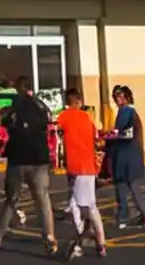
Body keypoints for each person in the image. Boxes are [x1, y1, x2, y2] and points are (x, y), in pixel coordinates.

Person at [0, 77, 56, 254]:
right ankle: (49, 236)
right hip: (39, 159)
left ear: (19, 89)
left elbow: (4, 122)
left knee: (11, 200)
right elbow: (48, 123)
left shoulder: (15, 105)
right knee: (42, 198)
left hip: (18, 159)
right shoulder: (41, 106)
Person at [57, 88, 107, 257]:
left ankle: (78, 240)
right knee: (90, 205)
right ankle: (101, 242)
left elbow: (54, 131)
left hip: (76, 166)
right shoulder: (86, 117)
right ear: (78, 101)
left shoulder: (65, 116)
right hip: (89, 166)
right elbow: (96, 137)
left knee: (75, 205)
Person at [106, 85, 145, 230]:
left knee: (123, 188)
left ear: (126, 97)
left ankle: (124, 218)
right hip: (132, 155)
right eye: (115, 97)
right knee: (133, 188)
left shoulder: (126, 112)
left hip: (125, 155)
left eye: (119, 97)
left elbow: (124, 133)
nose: (117, 100)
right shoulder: (131, 112)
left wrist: (111, 137)